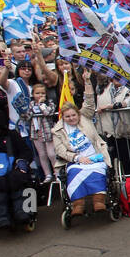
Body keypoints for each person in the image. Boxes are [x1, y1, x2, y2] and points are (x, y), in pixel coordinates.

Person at [52, 80, 112, 218]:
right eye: (67, 116)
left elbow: (90, 102)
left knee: (98, 170)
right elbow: (61, 150)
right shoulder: (57, 130)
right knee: (73, 173)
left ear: (77, 114)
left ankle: (99, 202)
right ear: (63, 117)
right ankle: (78, 205)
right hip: (75, 160)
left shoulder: (84, 117)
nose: (71, 118)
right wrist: (77, 158)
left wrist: (87, 82)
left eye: (73, 115)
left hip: (95, 155)